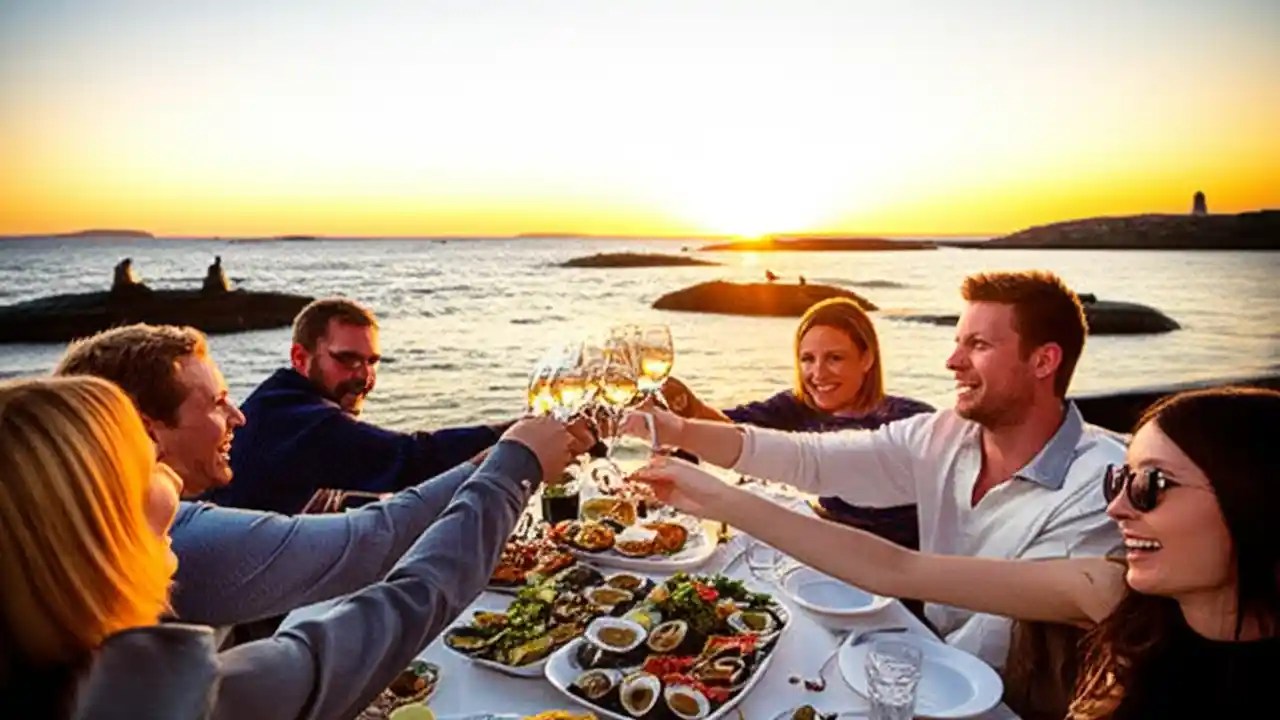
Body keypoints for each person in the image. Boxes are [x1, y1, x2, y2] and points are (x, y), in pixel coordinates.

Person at [630, 386, 1279, 718]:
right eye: (1120, 479)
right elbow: (897, 568)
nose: (1118, 508)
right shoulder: (1115, 594)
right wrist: (713, 497)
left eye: (1150, 485)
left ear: (1255, 500)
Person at [623, 270, 1125, 668]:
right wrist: (677, 431)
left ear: (1044, 362)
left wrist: (713, 496)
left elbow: (974, 633)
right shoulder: (943, 433)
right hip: (928, 649)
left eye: (978, 345)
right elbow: (809, 459)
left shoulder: (1100, 489)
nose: (952, 361)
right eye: (957, 340)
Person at [0, 375, 575, 718]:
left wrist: (492, 466)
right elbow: (398, 602)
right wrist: (510, 471)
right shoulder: (174, 700)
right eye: (145, 460)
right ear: (89, 529)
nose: (170, 479)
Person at [54, 323, 591, 630]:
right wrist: (513, 458)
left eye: (371, 360)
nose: (239, 416)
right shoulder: (175, 538)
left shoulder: (63, 538)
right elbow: (374, 536)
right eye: (217, 403)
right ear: (145, 429)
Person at [658, 298, 933, 548]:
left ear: (867, 359)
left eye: (835, 358)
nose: (818, 373)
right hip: (831, 556)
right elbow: (730, 431)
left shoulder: (910, 423)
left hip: (902, 574)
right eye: (807, 359)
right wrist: (685, 406)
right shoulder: (799, 407)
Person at [212, 297, 510, 513]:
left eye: (371, 361)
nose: (364, 376)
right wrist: (516, 436)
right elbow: (411, 459)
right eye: (347, 359)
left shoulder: (278, 398)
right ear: (300, 358)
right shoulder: (302, 421)